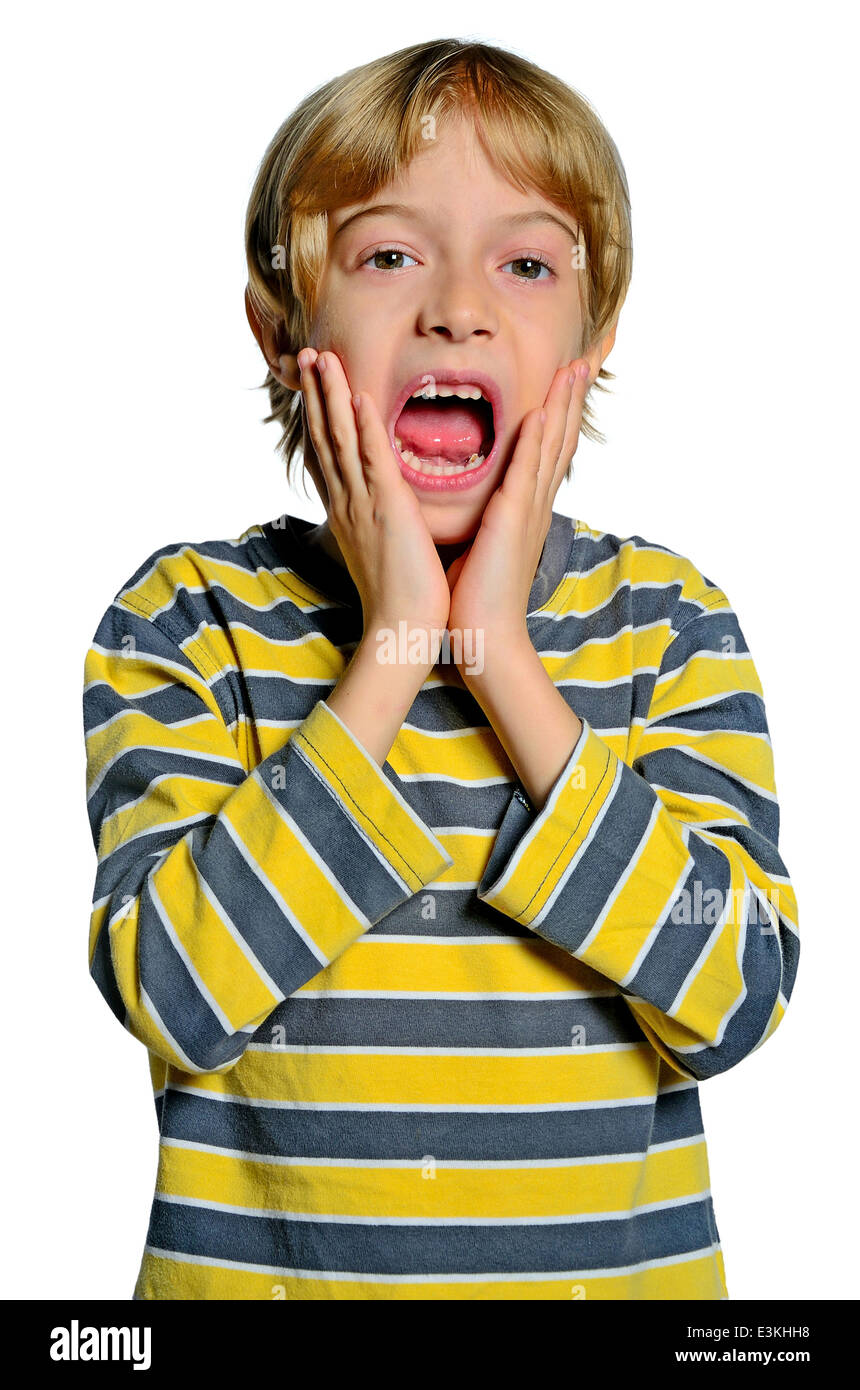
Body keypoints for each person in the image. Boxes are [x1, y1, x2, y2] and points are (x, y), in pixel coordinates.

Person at [82, 37, 799, 1301]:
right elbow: (175, 990)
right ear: (281, 327)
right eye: (388, 255)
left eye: (524, 264)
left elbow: (733, 976)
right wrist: (395, 646)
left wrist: (501, 662)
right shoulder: (186, 619)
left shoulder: (670, 625)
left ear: (594, 336)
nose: (456, 307)